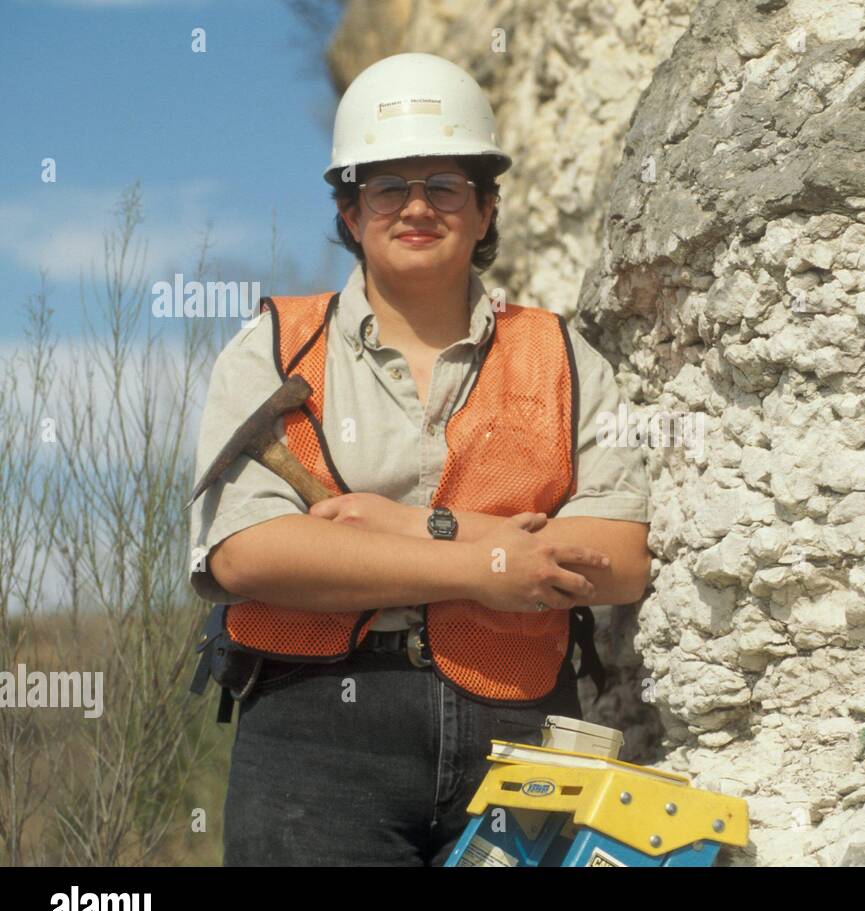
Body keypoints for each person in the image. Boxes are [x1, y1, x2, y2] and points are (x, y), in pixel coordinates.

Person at [187, 52, 652, 866]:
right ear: (348, 211)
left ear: (484, 209)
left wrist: (420, 524)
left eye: (443, 185)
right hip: (314, 742)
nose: (415, 207)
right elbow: (249, 554)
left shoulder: (562, 356)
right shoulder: (271, 348)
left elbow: (618, 560)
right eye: (386, 188)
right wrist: (485, 568)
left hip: (523, 735)